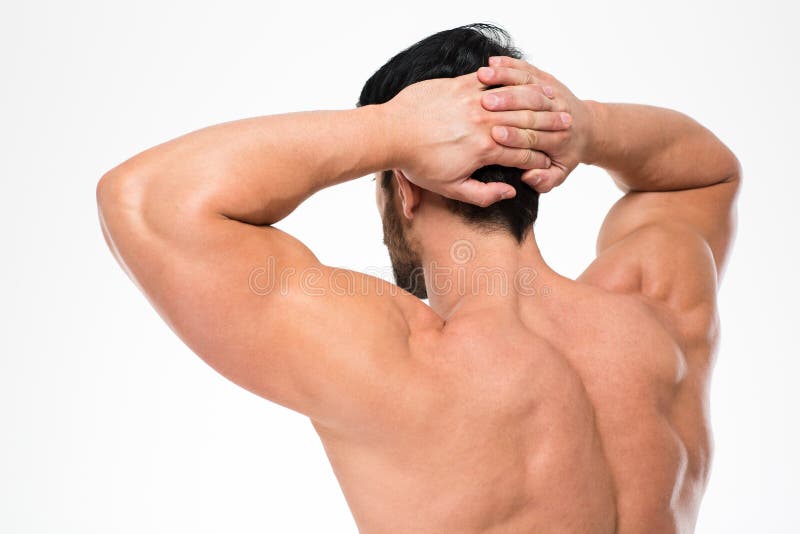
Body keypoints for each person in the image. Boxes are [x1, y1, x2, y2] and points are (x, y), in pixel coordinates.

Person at [96, 23, 740, 534]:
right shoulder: (653, 311)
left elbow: (146, 200)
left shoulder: (396, 359)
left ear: (403, 187)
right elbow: (706, 175)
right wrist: (587, 126)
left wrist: (391, 129)